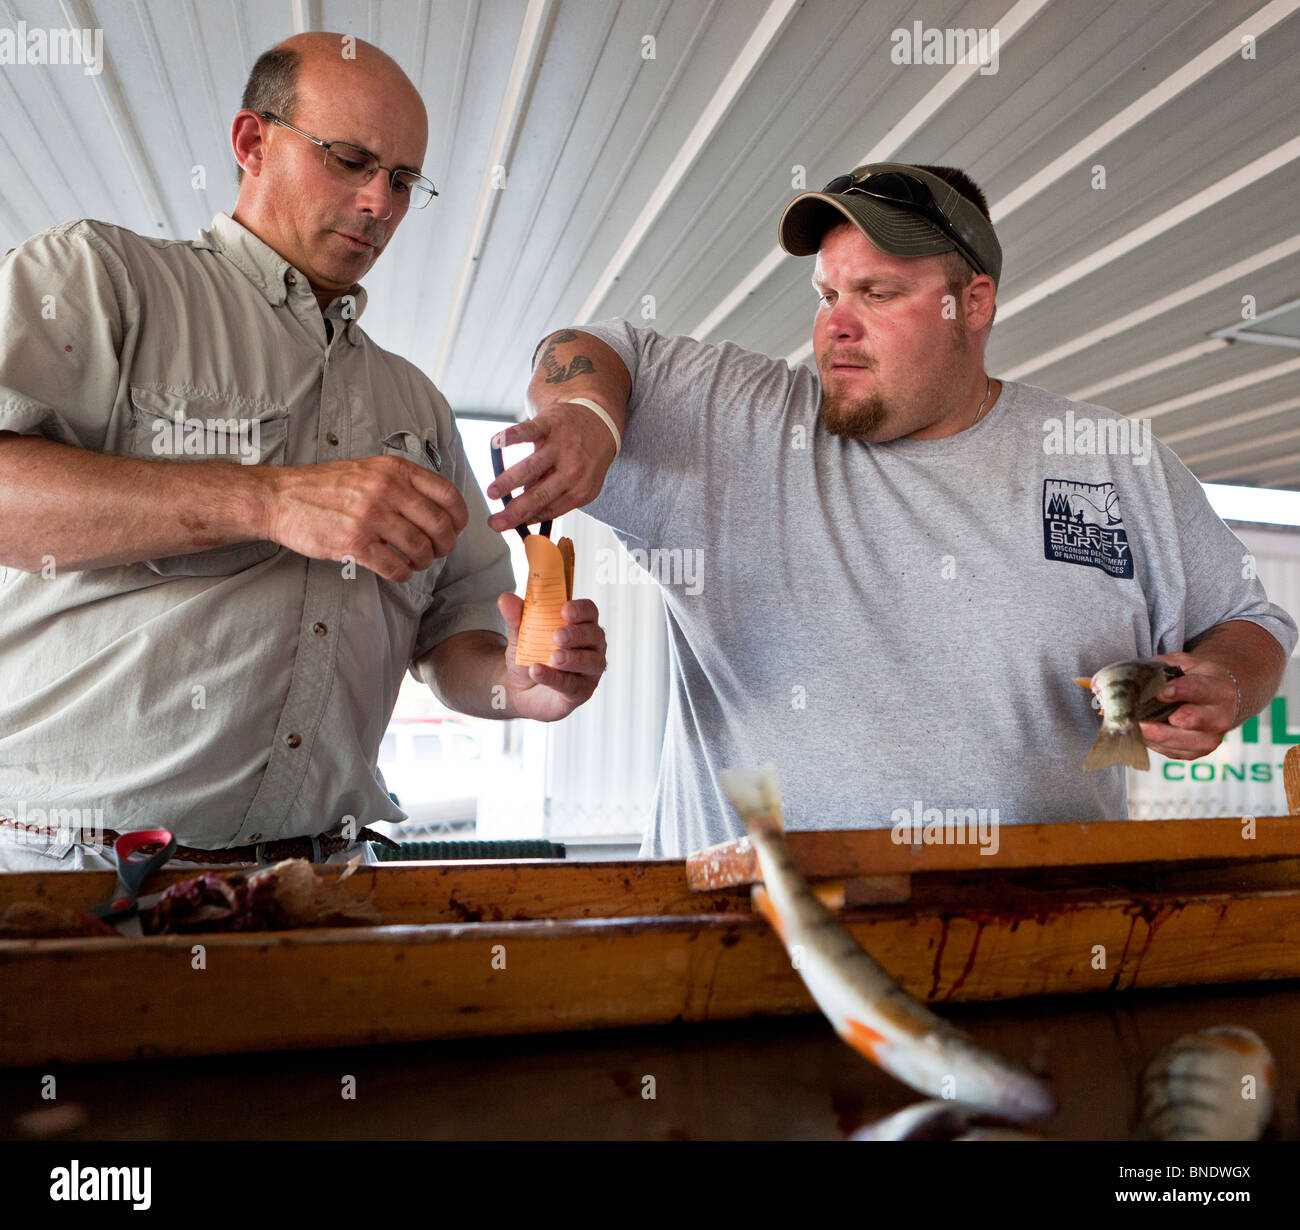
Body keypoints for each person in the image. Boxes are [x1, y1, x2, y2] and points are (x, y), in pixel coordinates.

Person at [487, 162, 1297, 859]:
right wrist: (588, 414)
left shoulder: (1112, 460)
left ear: (971, 305)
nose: (834, 325)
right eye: (828, 291)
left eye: (878, 293)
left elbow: (1251, 624)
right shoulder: (741, 423)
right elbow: (595, 344)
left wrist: (1225, 679)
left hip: (1033, 940)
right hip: (745, 959)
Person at [0, 34, 607, 872]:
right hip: (71, 875)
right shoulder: (102, 280)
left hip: (321, 888)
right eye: (350, 160)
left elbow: (455, 637)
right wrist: (270, 501)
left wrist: (524, 685)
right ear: (253, 142)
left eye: (401, 181)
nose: (379, 204)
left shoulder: (417, 405)